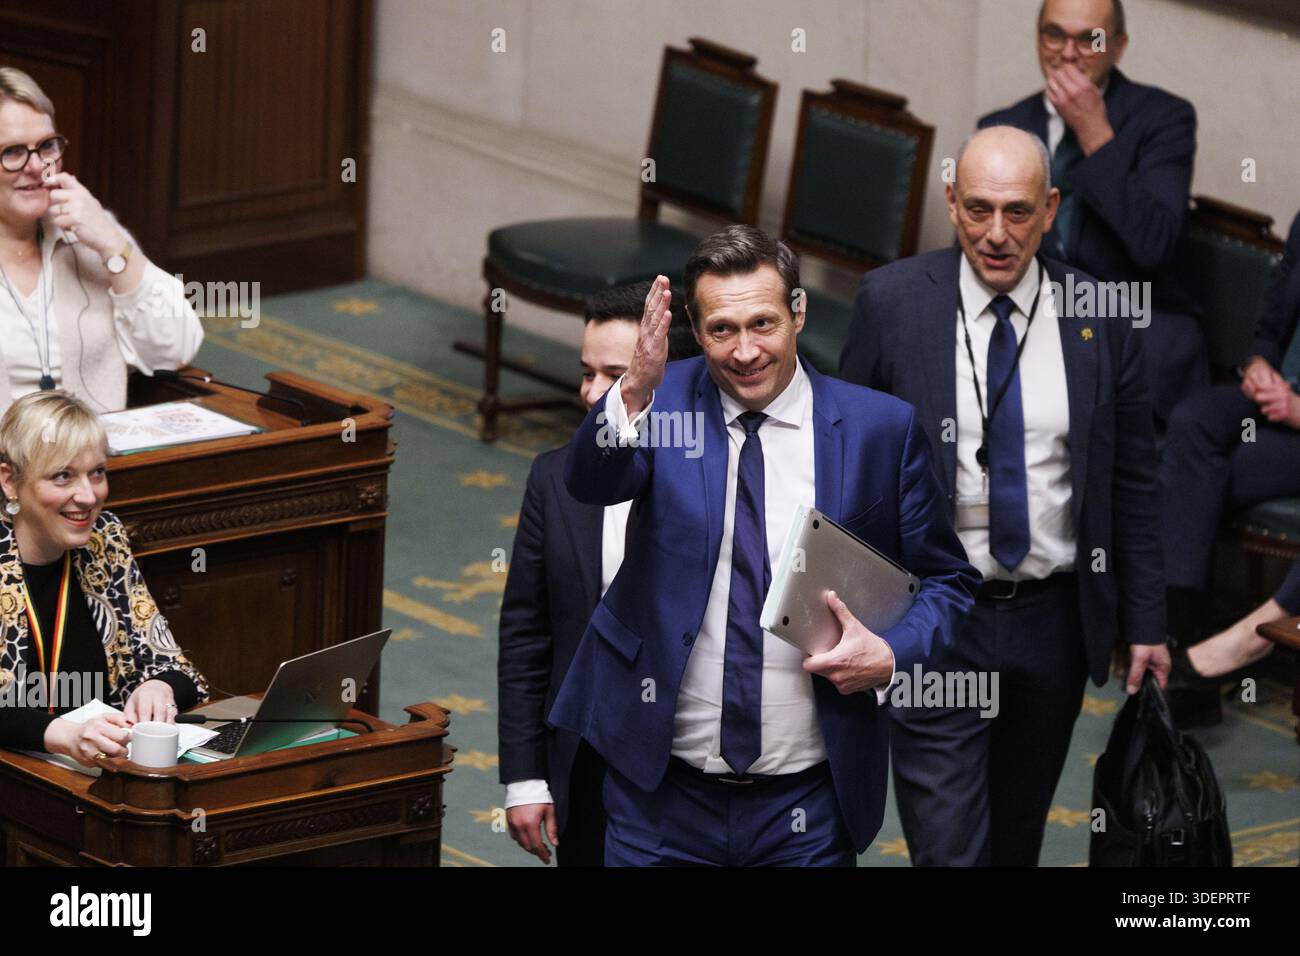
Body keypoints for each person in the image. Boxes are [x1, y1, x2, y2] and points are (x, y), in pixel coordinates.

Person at [548, 225, 979, 866]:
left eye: (763, 324)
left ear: (798, 313)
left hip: (806, 804)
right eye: (722, 329)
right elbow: (590, 482)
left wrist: (891, 654)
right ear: (696, 329)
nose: (745, 351)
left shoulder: (878, 430)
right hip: (659, 794)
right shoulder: (660, 401)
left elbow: (948, 582)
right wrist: (631, 390)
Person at [840, 126, 1170, 866]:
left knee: (1018, 842)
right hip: (936, 617)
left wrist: (1147, 621)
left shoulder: (1099, 312)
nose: (996, 234)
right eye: (979, 209)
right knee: (949, 850)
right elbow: (846, 465)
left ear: (1050, 208)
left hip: (1054, 622)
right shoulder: (893, 302)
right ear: (951, 202)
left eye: (1017, 211)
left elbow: (1133, 480)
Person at [498, 280, 698, 867]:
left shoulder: (722, 476)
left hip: (692, 767)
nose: (591, 393)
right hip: (587, 761)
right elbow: (528, 633)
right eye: (587, 373)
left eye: (617, 375)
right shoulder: (555, 478)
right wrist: (526, 776)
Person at [977, 0, 1207, 426]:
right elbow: (974, 252)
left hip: (1133, 323)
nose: (1068, 53)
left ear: (1118, 47)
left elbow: (1153, 244)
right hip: (1035, 327)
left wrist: (1094, 134)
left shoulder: (1164, 119)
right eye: (1055, 35)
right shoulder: (1003, 127)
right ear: (1038, 38)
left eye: (1089, 40)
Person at [0, 390, 208, 767]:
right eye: (63, 476)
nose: (88, 496)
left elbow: (170, 663)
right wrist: (63, 735)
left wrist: (159, 687)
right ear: (10, 482)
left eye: (96, 472)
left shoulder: (103, 537)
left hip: (97, 771)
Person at [1162, 210, 1300, 722]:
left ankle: (1243, 644)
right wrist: (1259, 365)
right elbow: (1270, 329)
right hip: (1276, 409)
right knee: (1194, 424)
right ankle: (1185, 639)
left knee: (1195, 481)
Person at [0, 67, 201, 412]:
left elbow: (176, 350)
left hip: (97, 443)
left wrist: (110, 242)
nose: (37, 167)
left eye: (47, 146)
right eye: (13, 152)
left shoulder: (88, 231)